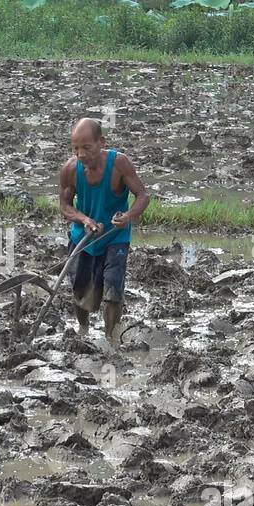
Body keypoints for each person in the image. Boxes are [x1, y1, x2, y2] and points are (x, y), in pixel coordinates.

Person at [58, 117, 150, 343]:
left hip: (115, 236)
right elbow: (65, 206)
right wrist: (84, 219)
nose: (80, 154)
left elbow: (143, 195)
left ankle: (110, 339)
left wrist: (128, 217)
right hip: (84, 238)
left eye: (86, 148)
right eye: (75, 148)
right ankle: (83, 330)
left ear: (101, 142)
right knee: (80, 290)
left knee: (113, 290)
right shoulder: (70, 170)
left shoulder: (119, 164)